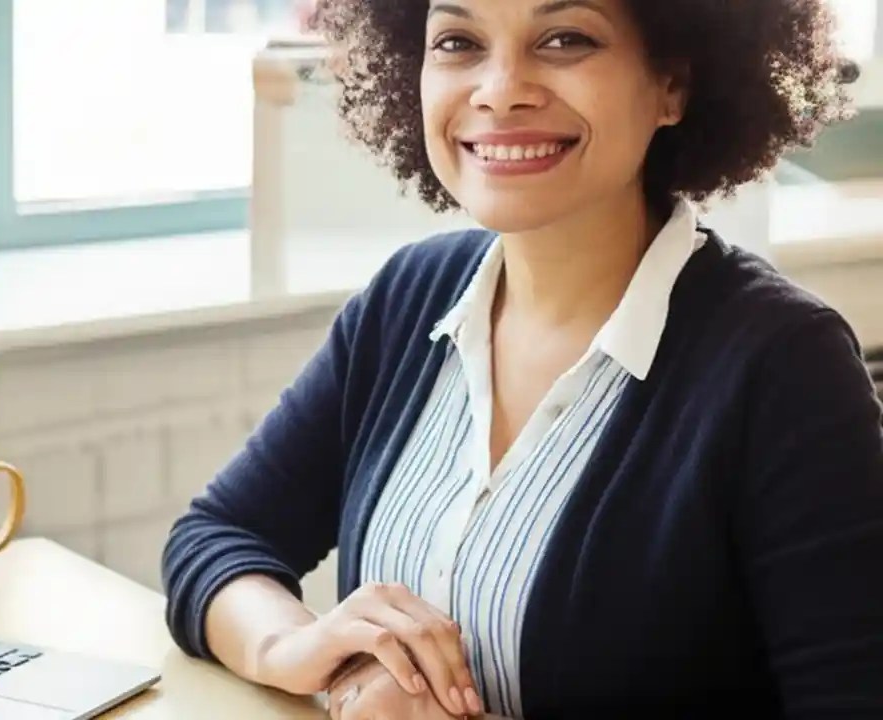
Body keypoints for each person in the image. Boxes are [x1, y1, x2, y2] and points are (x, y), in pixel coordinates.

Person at [162, 0, 883, 717]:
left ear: (672, 84)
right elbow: (218, 538)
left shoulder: (786, 367)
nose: (500, 87)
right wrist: (296, 647)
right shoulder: (408, 300)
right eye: (457, 41)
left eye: (565, 38)